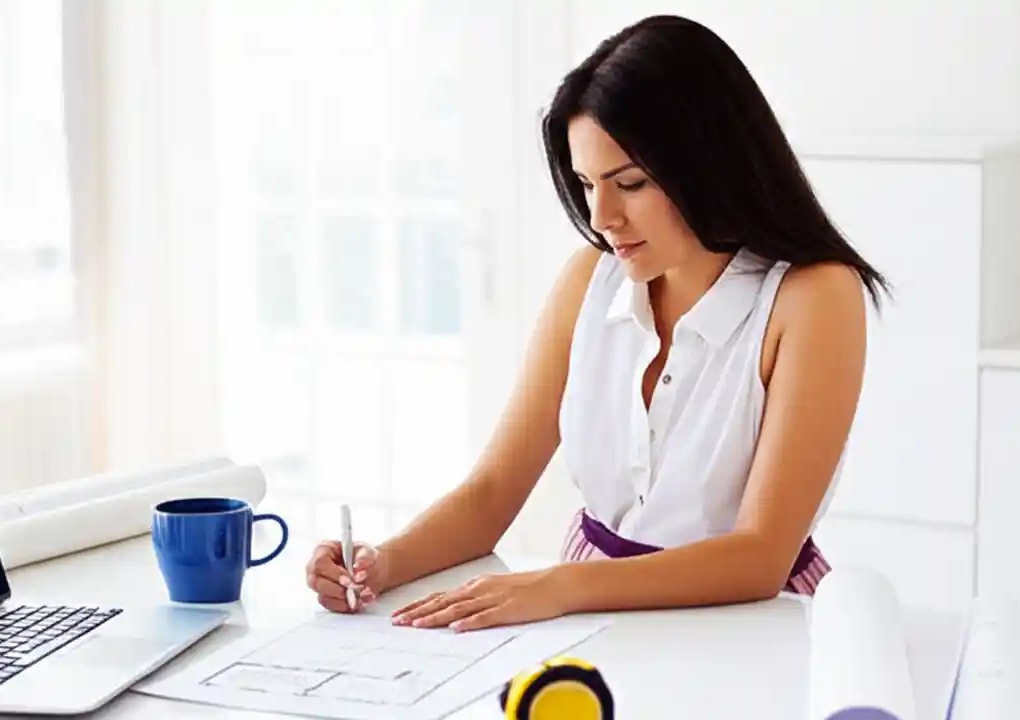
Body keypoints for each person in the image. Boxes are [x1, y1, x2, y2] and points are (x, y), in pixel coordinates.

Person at [305, 15, 887, 632]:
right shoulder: (592, 279)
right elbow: (493, 491)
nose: (601, 215)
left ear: (709, 162)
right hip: (589, 608)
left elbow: (760, 556)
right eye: (585, 184)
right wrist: (378, 564)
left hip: (744, 622)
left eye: (629, 183)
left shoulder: (812, 296)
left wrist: (558, 586)